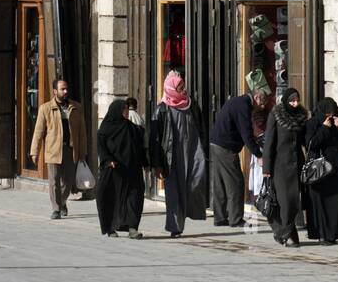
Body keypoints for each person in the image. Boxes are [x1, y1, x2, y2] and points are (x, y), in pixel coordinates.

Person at [150, 71, 207, 238]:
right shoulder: (162, 110)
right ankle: (175, 226)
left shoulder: (191, 105)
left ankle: (192, 214)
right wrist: (157, 164)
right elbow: (155, 140)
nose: (184, 90)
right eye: (180, 87)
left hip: (193, 152)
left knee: (196, 182)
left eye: (184, 87)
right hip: (172, 158)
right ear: (171, 89)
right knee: (174, 191)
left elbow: (201, 127)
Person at [210, 78, 269, 228]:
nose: (261, 107)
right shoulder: (244, 106)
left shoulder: (239, 102)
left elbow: (242, 130)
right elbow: (246, 133)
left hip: (216, 143)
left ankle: (220, 217)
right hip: (225, 147)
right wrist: (259, 154)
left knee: (221, 183)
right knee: (236, 182)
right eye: (261, 103)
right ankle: (236, 219)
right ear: (256, 97)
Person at [30, 76, 87, 221]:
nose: (66, 91)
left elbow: (82, 133)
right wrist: (34, 151)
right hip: (53, 150)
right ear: (55, 91)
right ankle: (56, 209)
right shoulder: (46, 108)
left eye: (66, 88)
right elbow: (38, 132)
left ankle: (62, 202)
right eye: (63, 89)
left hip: (70, 150)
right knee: (54, 181)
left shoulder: (76, 108)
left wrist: (82, 152)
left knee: (67, 182)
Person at [304, 97, 338, 245]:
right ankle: (321, 235)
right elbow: (311, 143)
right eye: (327, 113)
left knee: (337, 204)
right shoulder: (312, 123)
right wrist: (325, 128)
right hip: (319, 171)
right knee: (320, 204)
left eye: (332, 112)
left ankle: (333, 234)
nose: (330, 116)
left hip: (337, 170)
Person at [262, 88, 308, 247]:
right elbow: (269, 142)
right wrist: (266, 169)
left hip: (296, 165)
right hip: (279, 166)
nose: (295, 104)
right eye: (292, 101)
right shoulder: (276, 115)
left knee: (294, 202)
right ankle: (288, 235)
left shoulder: (301, 116)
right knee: (285, 202)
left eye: (297, 100)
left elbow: (305, 140)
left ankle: (283, 232)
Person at [96, 98, 147, 239]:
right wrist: (108, 160)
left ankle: (133, 228)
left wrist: (145, 163)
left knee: (134, 198)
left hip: (132, 170)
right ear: (116, 111)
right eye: (124, 109)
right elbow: (102, 148)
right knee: (110, 198)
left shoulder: (133, 128)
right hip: (114, 170)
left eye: (126, 108)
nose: (126, 111)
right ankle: (110, 228)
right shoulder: (105, 130)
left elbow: (140, 148)